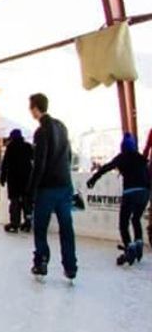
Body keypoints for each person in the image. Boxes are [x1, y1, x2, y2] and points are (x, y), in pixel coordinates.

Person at [27, 93, 77, 281]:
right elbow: (69, 155)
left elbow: (39, 163)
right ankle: (70, 267)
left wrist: (31, 190)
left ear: (35, 108)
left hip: (47, 188)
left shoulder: (41, 132)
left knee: (40, 227)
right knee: (66, 227)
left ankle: (41, 261)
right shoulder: (61, 127)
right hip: (64, 185)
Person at [87, 132, 148, 266]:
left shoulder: (122, 157)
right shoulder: (141, 158)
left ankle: (130, 247)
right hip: (144, 192)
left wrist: (93, 179)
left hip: (130, 192)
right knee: (136, 219)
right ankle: (138, 243)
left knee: (123, 223)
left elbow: (106, 168)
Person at [0, 128, 34, 233]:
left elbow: (5, 164)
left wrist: (2, 177)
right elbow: (35, 160)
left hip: (13, 179)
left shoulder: (11, 147)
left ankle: (15, 223)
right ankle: (28, 222)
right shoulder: (28, 146)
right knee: (27, 202)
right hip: (27, 179)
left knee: (15, 202)